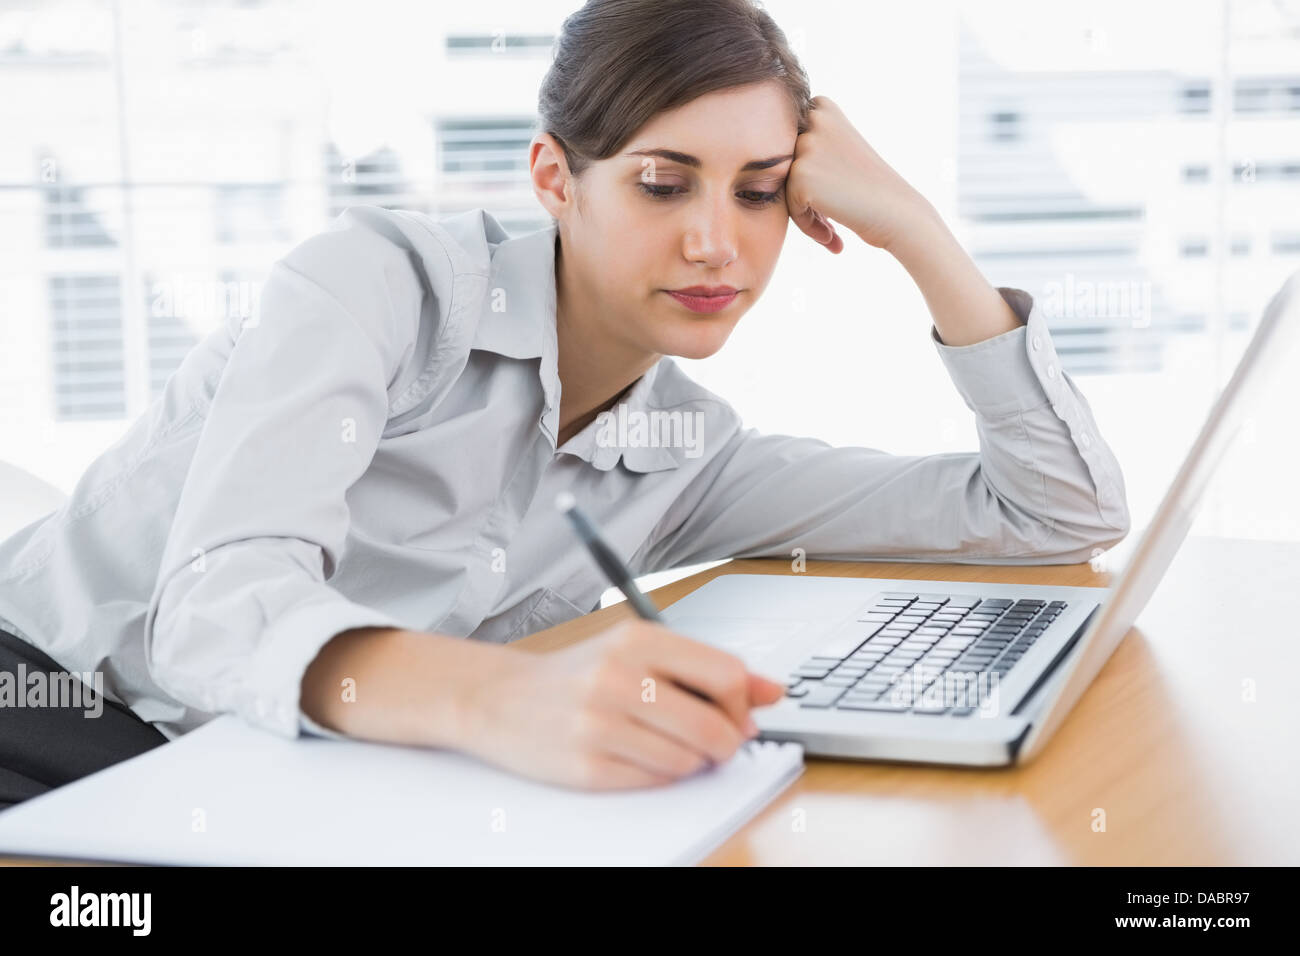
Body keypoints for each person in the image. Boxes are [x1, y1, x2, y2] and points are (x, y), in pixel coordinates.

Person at [0, 0, 1129, 807]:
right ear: (553, 178)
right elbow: (217, 608)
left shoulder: (683, 451)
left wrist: (917, 232)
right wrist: (501, 698)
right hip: (48, 703)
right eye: (661, 180)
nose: (714, 242)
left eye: (761, 193)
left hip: (261, 769)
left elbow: (1054, 510)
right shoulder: (375, 285)